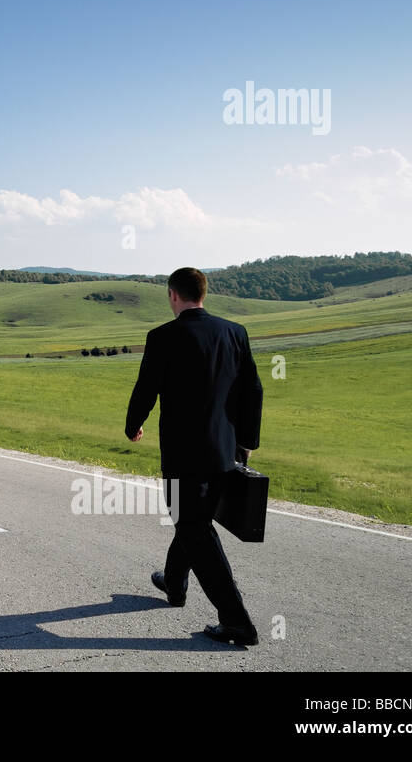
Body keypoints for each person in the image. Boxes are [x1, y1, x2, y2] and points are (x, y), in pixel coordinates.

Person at [124, 267, 263, 646]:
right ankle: (174, 582)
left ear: (173, 295)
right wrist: (247, 441)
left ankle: (237, 622)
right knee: (193, 518)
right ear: (204, 294)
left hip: (183, 454)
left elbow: (146, 388)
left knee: (193, 527)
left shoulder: (162, 336)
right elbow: (253, 389)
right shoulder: (234, 332)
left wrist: (134, 424)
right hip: (224, 450)